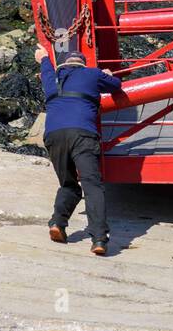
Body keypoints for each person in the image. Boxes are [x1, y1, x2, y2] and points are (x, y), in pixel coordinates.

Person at [34, 47, 122, 255]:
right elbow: (117, 86)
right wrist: (107, 76)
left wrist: (45, 56)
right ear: (82, 63)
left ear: (64, 65)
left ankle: (57, 223)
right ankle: (99, 239)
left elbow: (45, 64)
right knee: (92, 186)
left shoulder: (51, 76)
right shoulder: (92, 74)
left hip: (54, 135)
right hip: (83, 134)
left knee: (69, 184)